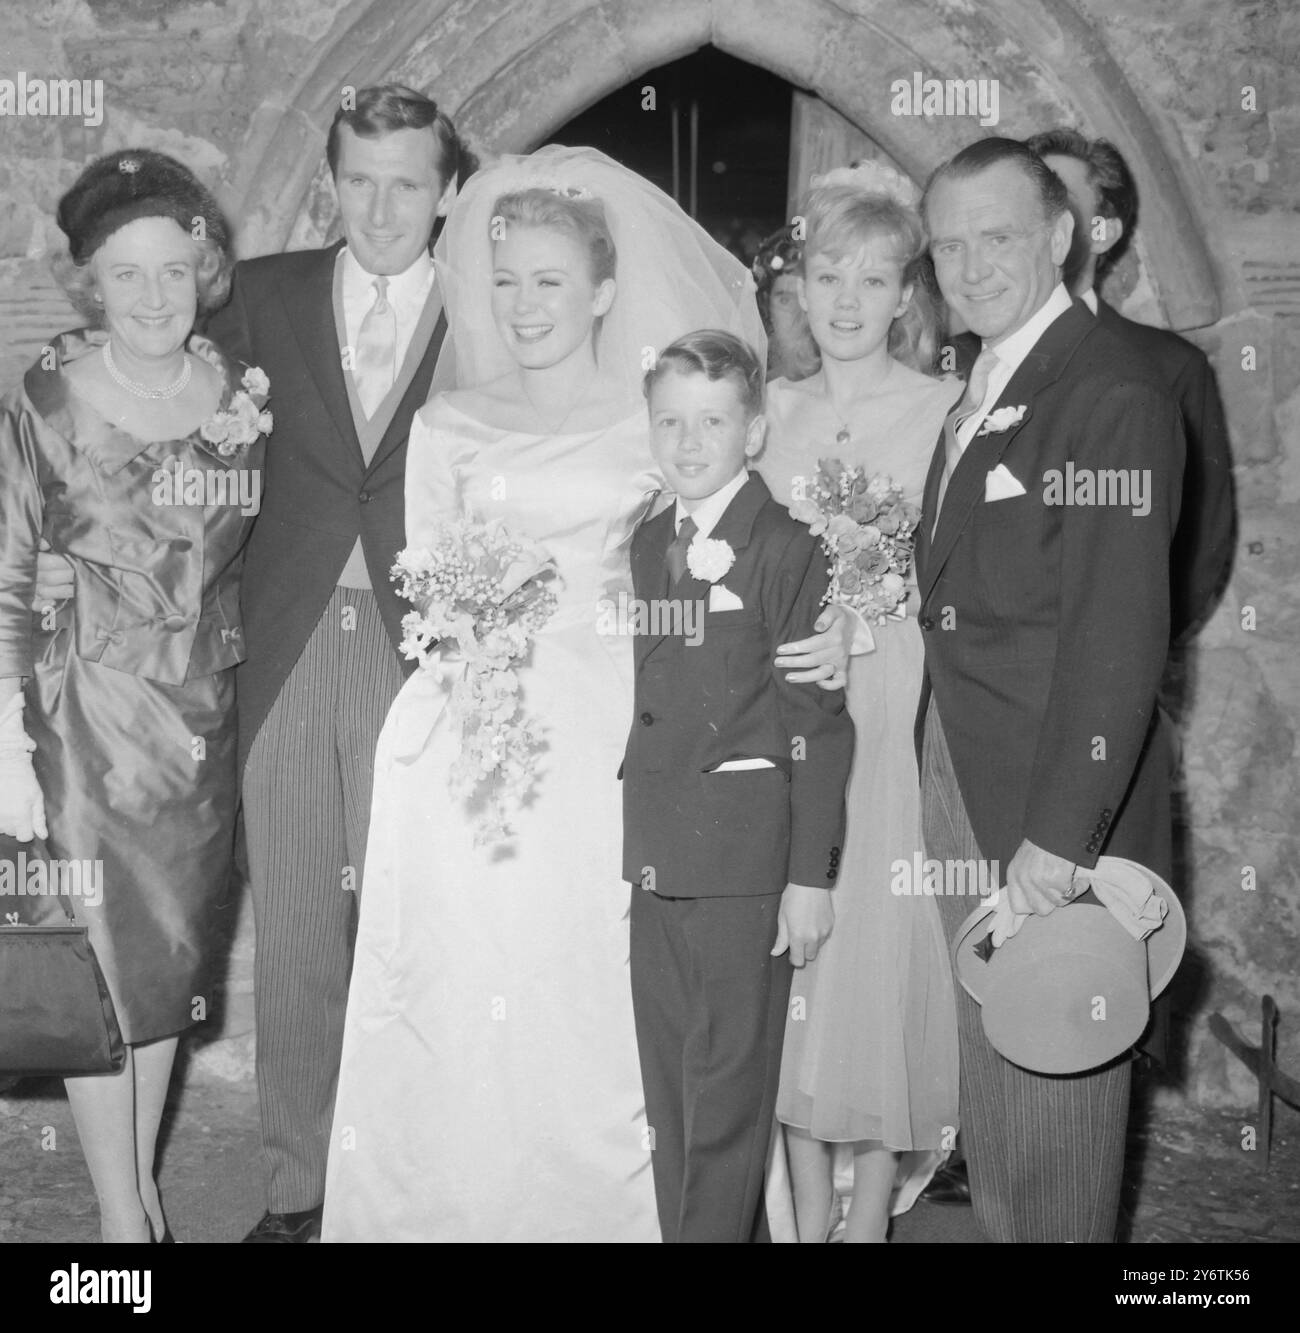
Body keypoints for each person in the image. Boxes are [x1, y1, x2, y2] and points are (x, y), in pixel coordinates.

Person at [322, 147, 851, 1242]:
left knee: (590, 983)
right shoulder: (448, 423)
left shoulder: (651, 423)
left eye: (550, 281)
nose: (522, 305)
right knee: (462, 972)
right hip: (471, 728)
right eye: (505, 279)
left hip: (613, 719)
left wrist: (825, 630)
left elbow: (745, 547)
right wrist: (468, 651)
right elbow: (425, 572)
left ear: (604, 292)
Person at [204, 83, 473, 1244]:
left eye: (405, 180)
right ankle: (297, 1186)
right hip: (286, 643)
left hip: (429, 656)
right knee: (302, 932)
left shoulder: (488, 309)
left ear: (447, 190)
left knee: (417, 932)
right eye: (358, 179)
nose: (379, 205)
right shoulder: (260, 296)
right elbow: (182, 439)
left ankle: (413, 1181)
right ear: (330, 183)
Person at [915, 136, 1182, 1242]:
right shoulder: (981, 385)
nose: (971, 267)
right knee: (998, 1086)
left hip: (1045, 806)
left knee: (1057, 1095)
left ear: (1062, 237)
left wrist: (1063, 836)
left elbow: (1116, 632)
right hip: (963, 773)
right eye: (948, 246)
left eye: (999, 238)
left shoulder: (1108, 392)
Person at [0, 149, 262, 1242]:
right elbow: (13, 561)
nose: (152, 295)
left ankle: (144, 1193)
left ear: (199, 268)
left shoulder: (243, 397)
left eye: (171, 269)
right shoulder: (50, 394)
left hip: (199, 718)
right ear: (92, 286)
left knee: (169, 963)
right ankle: (120, 1225)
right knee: (98, 963)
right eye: (126, 275)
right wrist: (5, 735)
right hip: (82, 714)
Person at [757, 164, 962, 1243]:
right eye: (826, 274)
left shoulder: (941, 411)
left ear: (903, 294)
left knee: (870, 952)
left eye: (872, 279)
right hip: (784, 696)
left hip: (888, 699)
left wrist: (871, 618)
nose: (845, 300)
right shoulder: (770, 409)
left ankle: (871, 1218)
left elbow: (963, 574)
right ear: (799, 284)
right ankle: (795, 1221)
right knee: (798, 950)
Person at [624, 330, 854, 1243]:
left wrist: (811, 877)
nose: (689, 441)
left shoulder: (787, 546)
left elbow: (819, 725)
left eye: (712, 420)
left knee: (728, 1097)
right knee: (672, 1092)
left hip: (743, 865)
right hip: (656, 855)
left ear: (753, 431)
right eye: (670, 420)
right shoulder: (650, 542)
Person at [1025, 128, 1234, 643]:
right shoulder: (958, 358)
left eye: (1060, 200)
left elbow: (1200, 546)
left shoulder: (1169, 368)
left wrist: (1121, 659)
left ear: (1103, 233)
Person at [753, 225, 819, 381]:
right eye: (785, 300)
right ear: (767, 308)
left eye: (807, 299)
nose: (798, 313)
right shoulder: (760, 395)